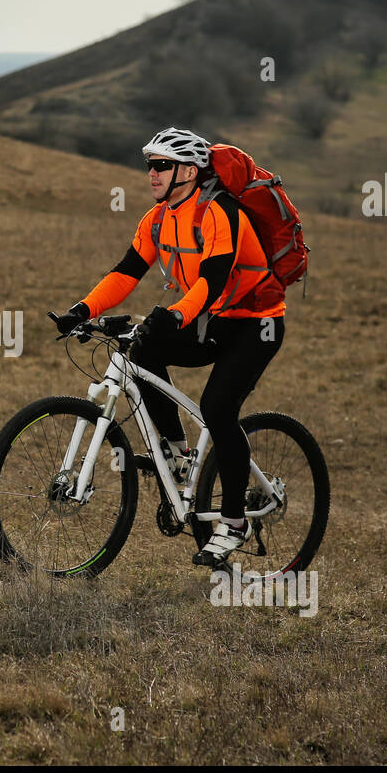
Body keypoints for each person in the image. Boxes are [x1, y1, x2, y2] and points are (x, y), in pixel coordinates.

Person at [53, 127, 285, 567]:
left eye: (162, 165)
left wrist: (176, 314)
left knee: (218, 409)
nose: (152, 174)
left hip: (256, 324)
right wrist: (81, 309)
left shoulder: (219, 213)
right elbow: (126, 273)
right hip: (208, 320)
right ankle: (179, 453)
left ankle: (235, 522)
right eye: (150, 166)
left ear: (190, 171)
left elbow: (211, 282)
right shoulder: (157, 217)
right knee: (141, 351)